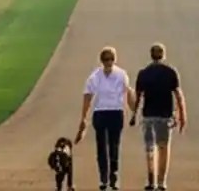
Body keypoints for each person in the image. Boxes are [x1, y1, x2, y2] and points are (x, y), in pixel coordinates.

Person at [76, 46, 135, 190]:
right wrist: (84, 117)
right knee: (101, 147)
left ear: (115, 60)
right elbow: (87, 97)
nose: (109, 62)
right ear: (101, 61)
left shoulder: (121, 75)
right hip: (101, 112)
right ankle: (103, 178)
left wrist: (134, 110)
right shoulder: (94, 77)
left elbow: (127, 93)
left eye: (111, 59)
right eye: (106, 60)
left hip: (116, 112)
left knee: (114, 146)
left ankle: (113, 176)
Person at [130, 43, 186, 191]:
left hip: (148, 116)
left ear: (151, 55)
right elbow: (179, 95)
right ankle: (161, 182)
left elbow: (138, 96)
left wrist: (134, 114)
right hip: (164, 116)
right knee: (163, 148)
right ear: (163, 55)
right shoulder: (170, 72)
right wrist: (182, 115)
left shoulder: (144, 73)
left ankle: (151, 180)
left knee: (150, 149)